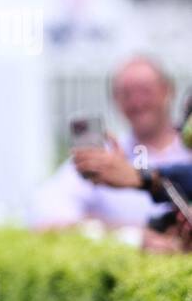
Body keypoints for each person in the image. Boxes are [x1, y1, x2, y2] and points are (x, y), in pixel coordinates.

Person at [30, 56, 192, 242]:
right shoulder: (103, 158)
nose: (137, 102)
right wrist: (134, 235)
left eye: (146, 91)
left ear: (168, 90)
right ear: (115, 100)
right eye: (126, 94)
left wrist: (136, 177)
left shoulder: (187, 150)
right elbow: (45, 213)